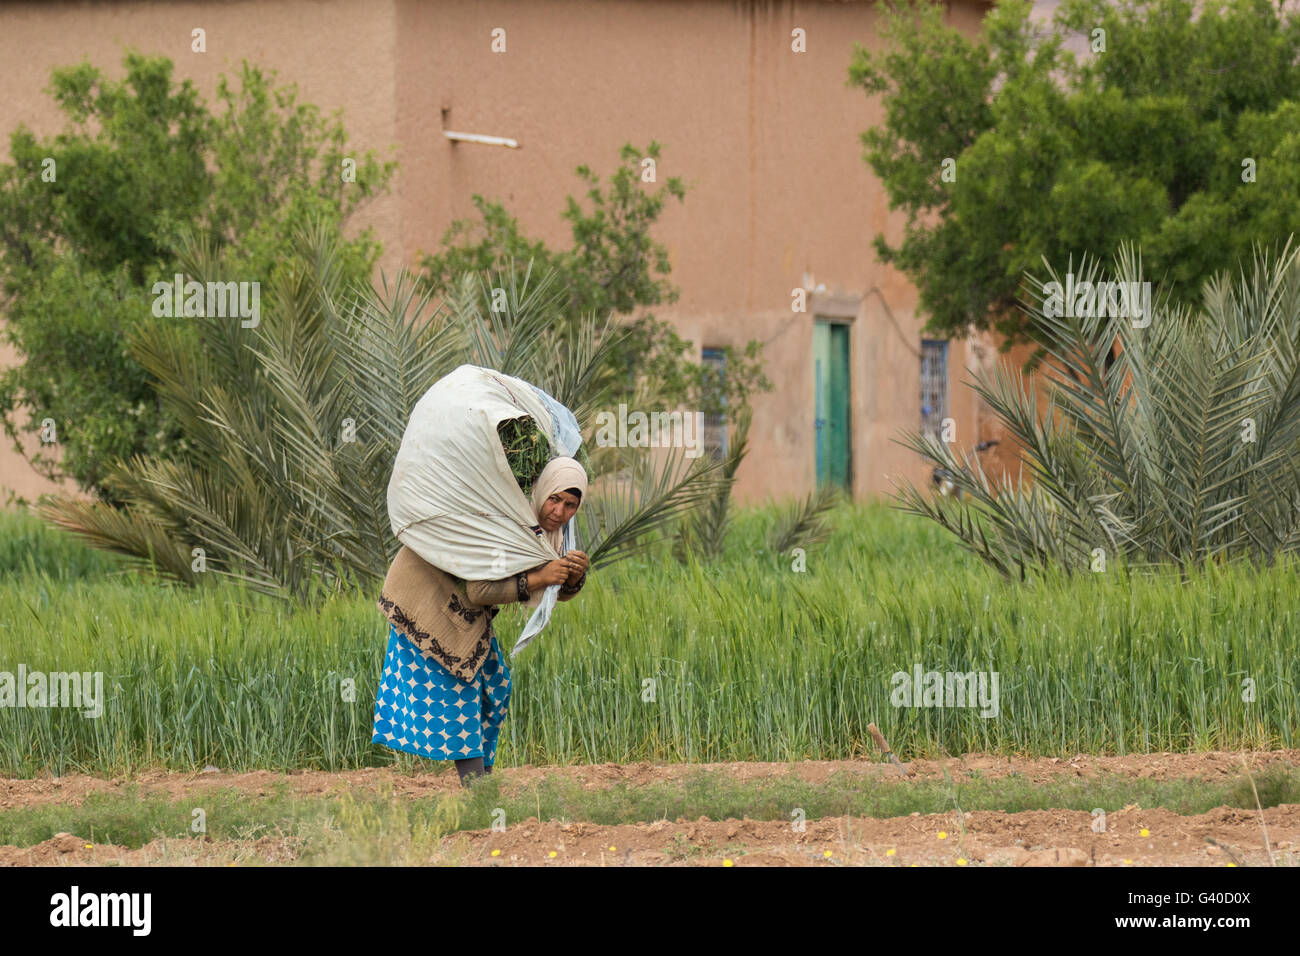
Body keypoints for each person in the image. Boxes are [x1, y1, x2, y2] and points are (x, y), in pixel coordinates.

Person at [373, 457, 590, 787]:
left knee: (496, 685)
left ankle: (482, 786)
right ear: (540, 492)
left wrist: (572, 576)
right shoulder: (506, 521)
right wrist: (542, 576)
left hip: (462, 605)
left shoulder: (543, 535)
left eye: (570, 505)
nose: (559, 512)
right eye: (554, 499)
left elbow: (553, 588)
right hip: (429, 596)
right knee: (461, 695)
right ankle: (479, 793)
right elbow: (480, 590)